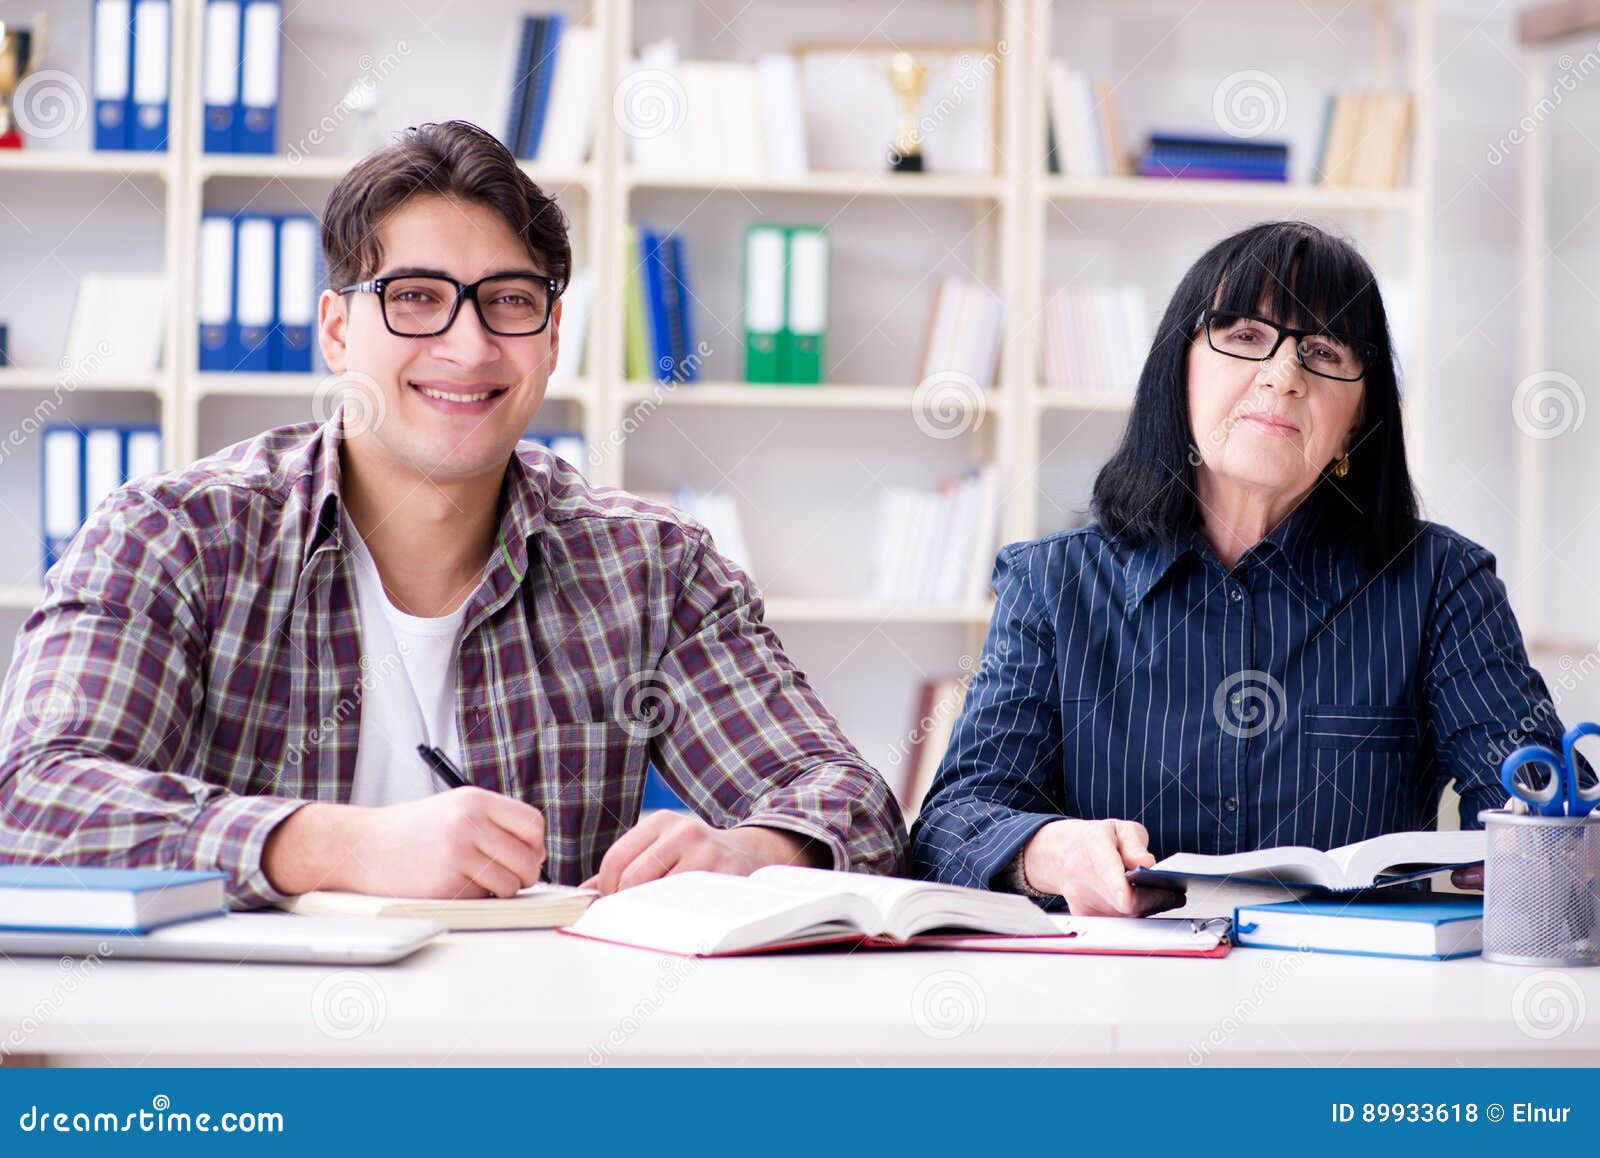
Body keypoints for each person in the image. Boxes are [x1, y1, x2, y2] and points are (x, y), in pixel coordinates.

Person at [0, 120, 904, 909]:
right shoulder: (170, 536)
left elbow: (851, 802)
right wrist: (340, 846)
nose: (468, 347)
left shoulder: (653, 566)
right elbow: (31, 803)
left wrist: (752, 852)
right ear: (337, 330)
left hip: (535, 1055)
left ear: (552, 339)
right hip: (242, 1053)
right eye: (417, 298)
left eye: (510, 301)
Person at [910, 220, 1549, 914]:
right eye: (1244, 336)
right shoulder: (1052, 586)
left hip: (1359, 1009)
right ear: (1176, 369)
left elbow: (1542, 806)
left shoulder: (1441, 584)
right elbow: (951, 827)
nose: (1284, 375)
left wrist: (1538, 852)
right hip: (1113, 1004)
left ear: (1359, 419)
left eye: (1325, 349)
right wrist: (1049, 853)